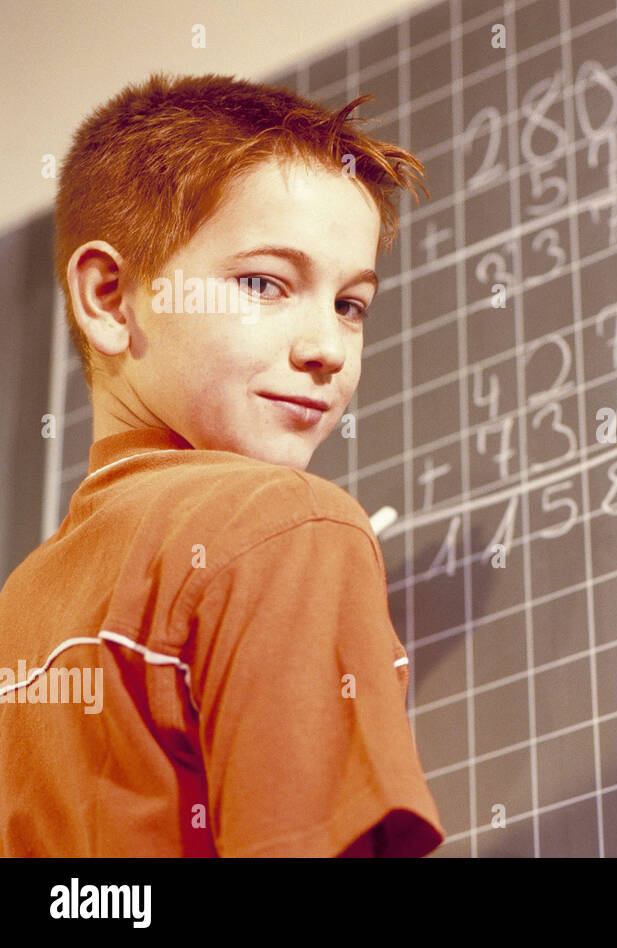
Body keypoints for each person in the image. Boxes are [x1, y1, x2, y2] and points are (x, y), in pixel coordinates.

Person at [0, 73, 445, 856]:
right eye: (263, 283)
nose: (328, 349)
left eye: (350, 305)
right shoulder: (285, 525)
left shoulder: (22, 608)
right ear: (109, 296)